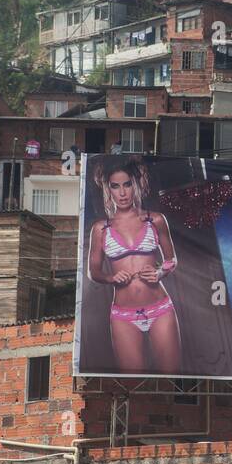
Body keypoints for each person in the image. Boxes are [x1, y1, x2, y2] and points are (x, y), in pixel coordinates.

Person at [87, 159, 181, 374]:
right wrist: (111, 278)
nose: (122, 193)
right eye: (115, 186)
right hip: (123, 316)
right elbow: (94, 271)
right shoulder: (101, 228)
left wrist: (159, 272)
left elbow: (171, 259)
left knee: (172, 377)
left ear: (137, 184)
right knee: (132, 383)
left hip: (160, 310)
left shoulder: (155, 220)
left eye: (127, 184)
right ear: (107, 189)